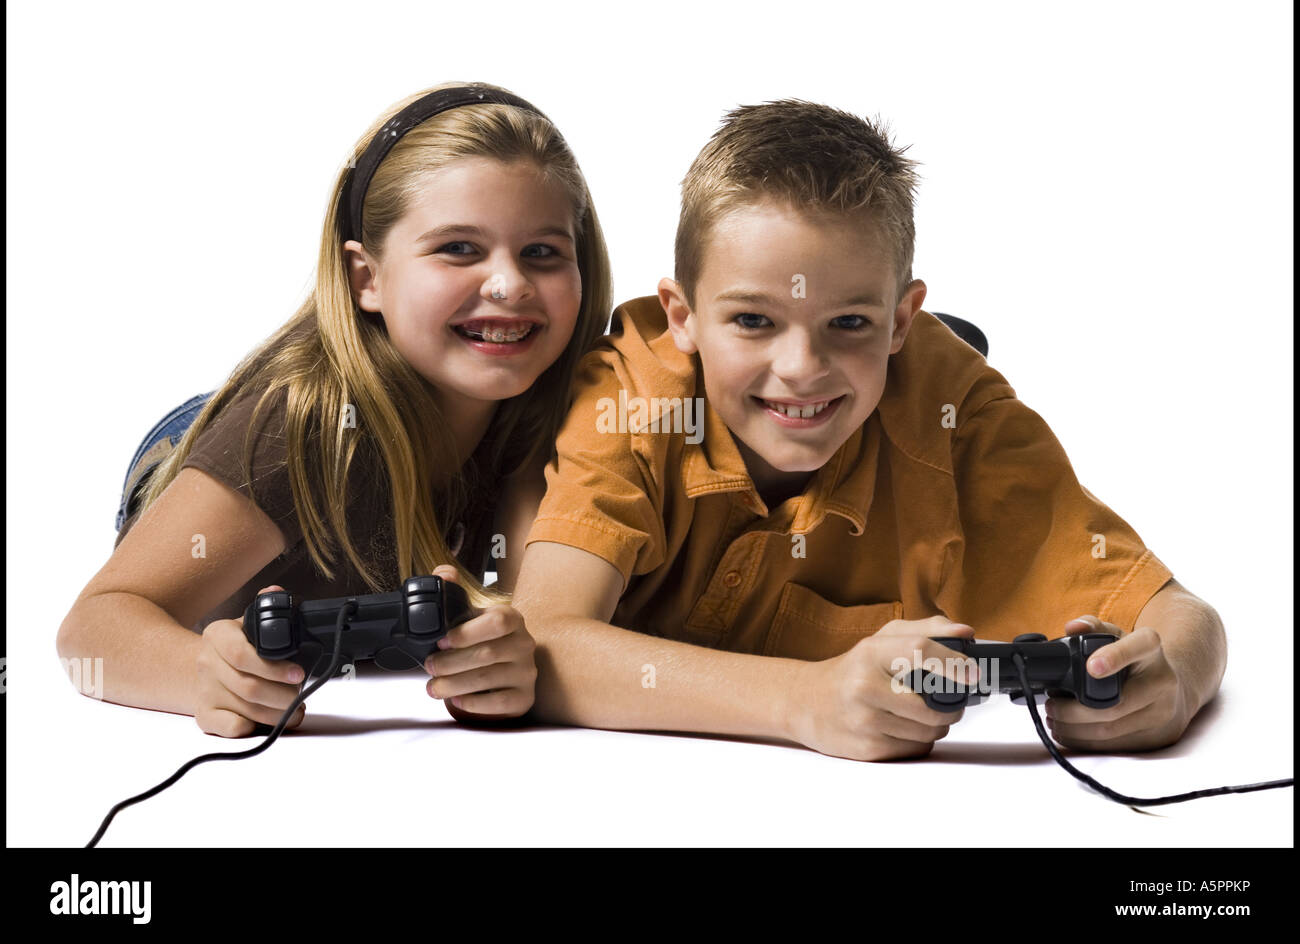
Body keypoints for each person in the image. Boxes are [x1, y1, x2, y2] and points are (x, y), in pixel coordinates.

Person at [511, 99, 1226, 762]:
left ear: (903, 321)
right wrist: (806, 702)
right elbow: (542, 641)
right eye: (753, 321)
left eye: (848, 323)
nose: (800, 368)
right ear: (681, 315)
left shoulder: (956, 424)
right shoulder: (634, 399)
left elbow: (1182, 614)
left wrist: (1177, 683)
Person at [58, 82, 613, 737]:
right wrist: (202, 671)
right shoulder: (303, 430)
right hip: (215, 441)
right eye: (459, 248)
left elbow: (537, 624)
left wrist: (501, 655)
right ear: (365, 279)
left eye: (542, 253)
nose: (509, 283)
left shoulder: (556, 403)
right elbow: (92, 628)